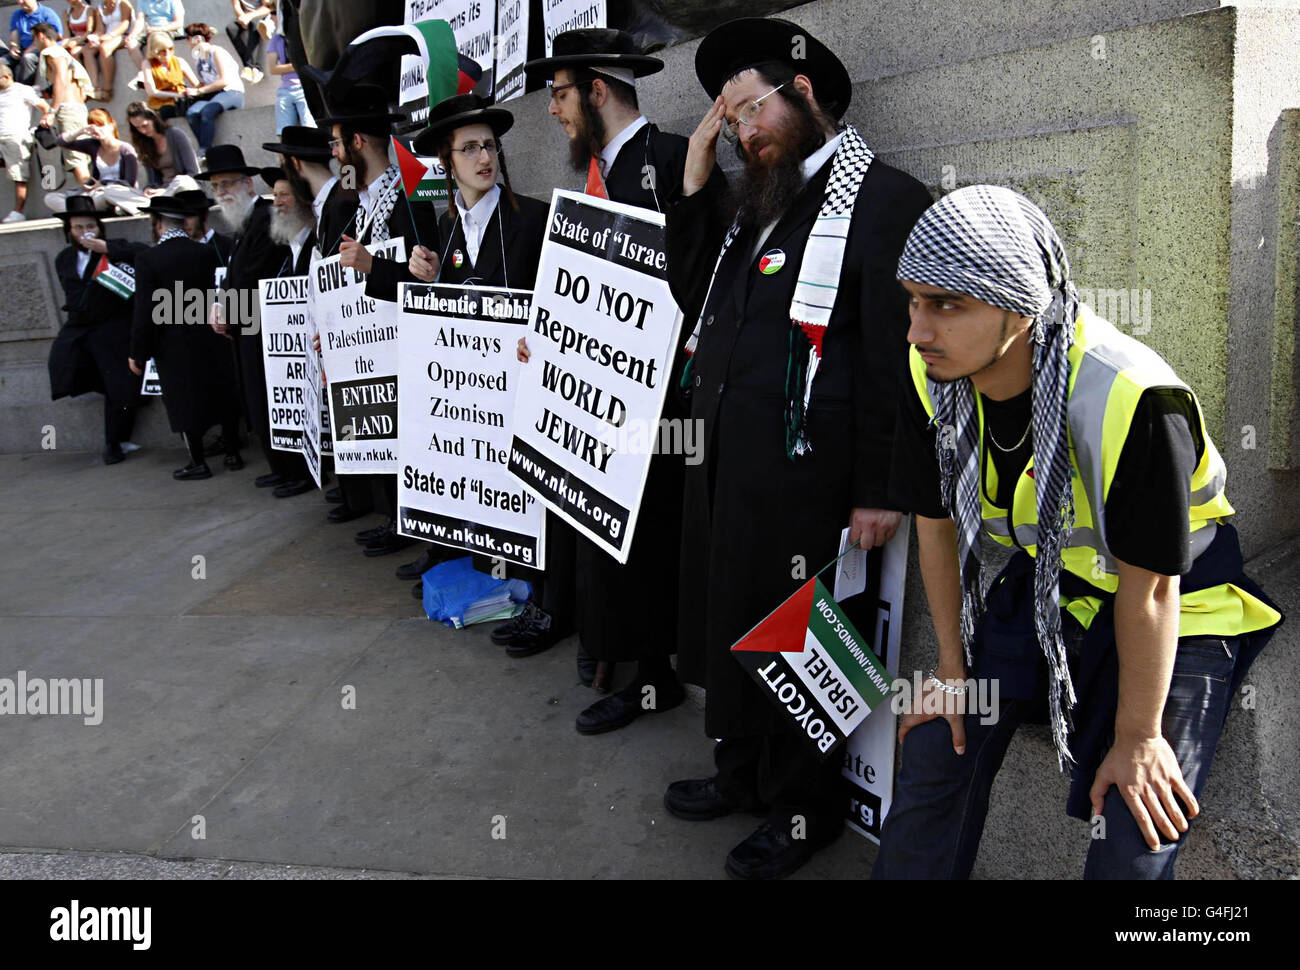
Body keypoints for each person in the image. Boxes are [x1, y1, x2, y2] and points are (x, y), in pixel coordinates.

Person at [871, 184, 1284, 879]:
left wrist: (1138, 736)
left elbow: (1152, 592)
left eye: (946, 304)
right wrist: (951, 668)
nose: (917, 330)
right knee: (940, 741)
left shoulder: (1131, 396)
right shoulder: (931, 372)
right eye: (913, 300)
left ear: (1018, 307)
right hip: (1051, 588)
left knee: (1135, 825)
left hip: (1180, 607)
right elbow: (934, 522)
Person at [660, 17, 933, 880]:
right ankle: (740, 774)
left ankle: (803, 813)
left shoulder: (883, 200)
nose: (742, 131)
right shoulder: (756, 204)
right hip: (735, 476)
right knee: (734, 630)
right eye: (729, 119)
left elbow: (902, 359)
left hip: (814, 488)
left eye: (750, 109)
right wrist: (697, 184)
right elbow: (692, 297)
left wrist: (883, 486)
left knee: (800, 647)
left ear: (804, 93)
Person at [521, 28, 725, 715]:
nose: (552, 109)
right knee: (598, 534)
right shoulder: (587, 184)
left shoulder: (673, 162)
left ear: (597, 90)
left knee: (643, 544)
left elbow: (708, 276)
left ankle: (646, 677)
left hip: (657, 405)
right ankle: (614, 654)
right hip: (593, 400)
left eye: (559, 94)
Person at [399, 93, 550, 602]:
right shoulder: (446, 229)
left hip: (524, 389)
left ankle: (542, 595)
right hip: (476, 397)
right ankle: (497, 575)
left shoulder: (534, 218)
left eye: (489, 146)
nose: (485, 158)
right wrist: (435, 280)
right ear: (447, 162)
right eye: (470, 149)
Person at [321, 82, 439, 557]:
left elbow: (423, 279)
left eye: (336, 141)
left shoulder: (409, 197)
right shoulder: (362, 199)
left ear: (358, 142)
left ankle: (428, 538)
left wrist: (373, 266)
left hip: (409, 349)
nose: (332, 152)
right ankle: (399, 520)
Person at [199, 145, 294, 496]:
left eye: (228, 184)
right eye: (217, 187)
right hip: (247, 326)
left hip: (266, 328)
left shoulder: (265, 217)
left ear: (248, 185)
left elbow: (258, 275)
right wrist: (220, 306)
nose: (222, 192)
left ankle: (293, 471)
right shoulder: (243, 223)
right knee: (257, 401)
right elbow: (234, 277)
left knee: (272, 401)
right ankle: (280, 467)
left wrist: (228, 308)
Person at [129, 192, 244, 479]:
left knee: (183, 401)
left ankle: (198, 462)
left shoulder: (148, 259)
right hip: (209, 333)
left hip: (173, 341)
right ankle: (233, 453)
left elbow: (144, 310)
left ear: (157, 224)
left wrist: (138, 352)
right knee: (219, 393)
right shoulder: (204, 252)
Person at [48, 194, 147, 464]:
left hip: (112, 327)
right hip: (80, 326)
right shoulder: (65, 258)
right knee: (64, 364)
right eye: (78, 227)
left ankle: (114, 443)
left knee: (119, 382)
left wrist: (107, 248)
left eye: (90, 226)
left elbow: (144, 254)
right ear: (69, 230)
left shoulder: (114, 251)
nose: (85, 232)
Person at [45, 108, 148, 214]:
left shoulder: (125, 149)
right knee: (51, 198)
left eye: (101, 126)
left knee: (107, 193)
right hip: (95, 194)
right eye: (94, 127)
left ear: (111, 125)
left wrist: (103, 185)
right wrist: (81, 131)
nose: (97, 130)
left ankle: (81, 210)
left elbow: (129, 182)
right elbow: (61, 142)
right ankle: (84, 209)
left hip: (117, 192)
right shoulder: (93, 145)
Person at [32, 21, 93, 187]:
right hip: (77, 108)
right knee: (80, 158)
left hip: (68, 109)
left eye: (34, 39)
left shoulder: (52, 52)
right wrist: (47, 92)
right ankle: (92, 195)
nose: (34, 44)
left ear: (41, 36)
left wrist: (52, 110)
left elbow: (62, 79)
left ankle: (92, 197)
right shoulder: (62, 53)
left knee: (76, 159)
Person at [181, 23, 244, 153]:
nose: (187, 42)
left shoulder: (216, 51)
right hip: (214, 95)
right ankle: (205, 149)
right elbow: (206, 83)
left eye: (188, 38)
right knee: (192, 113)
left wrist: (199, 91)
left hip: (232, 92)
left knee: (207, 112)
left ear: (197, 39)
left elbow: (224, 81)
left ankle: (205, 150)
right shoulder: (198, 58)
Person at [0, 62, 49, 222]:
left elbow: (44, 106)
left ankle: (18, 212)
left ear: (6, 77)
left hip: (15, 137)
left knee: (18, 174)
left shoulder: (22, 90)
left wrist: (46, 118)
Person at [126, 100, 199, 193]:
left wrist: (165, 191)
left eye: (145, 125)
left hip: (183, 188)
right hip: (161, 191)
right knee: (115, 191)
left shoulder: (176, 135)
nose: (142, 131)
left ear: (153, 119)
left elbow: (193, 173)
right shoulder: (143, 144)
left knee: (181, 180)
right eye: (137, 128)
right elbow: (152, 180)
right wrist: (149, 189)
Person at [81, 0, 135, 102]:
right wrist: (95, 37)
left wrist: (109, 36)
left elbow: (125, 23)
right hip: (106, 37)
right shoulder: (99, 8)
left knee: (105, 48)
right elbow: (100, 29)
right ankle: (94, 86)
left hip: (124, 36)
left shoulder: (123, 3)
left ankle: (107, 88)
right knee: (87, 50)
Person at [141, 30, 196, 122]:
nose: (167, 53)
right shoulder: (147, 64)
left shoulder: (179, 61)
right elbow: (151, 91)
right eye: (162, 50)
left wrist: (191, 92)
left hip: (180, 100)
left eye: (170, 49)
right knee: (162, 113)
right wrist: (176, 95)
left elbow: (196, 84)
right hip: (160, 103)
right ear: (154, 51)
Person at [3, 0, 61, 86]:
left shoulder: (47, 13)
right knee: (2, 62)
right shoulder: (17, 15)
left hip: (42, 48)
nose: (20, 2)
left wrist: (30, 49)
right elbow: (14, 34)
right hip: (23, 48)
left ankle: (24, 89)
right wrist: (14, 47)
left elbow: (54, 36)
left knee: (28, 58)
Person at [266, 22, 310, 133]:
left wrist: (289, 67)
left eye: (275, 13)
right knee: (283, 131)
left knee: (310, 126)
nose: (273, 17)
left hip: (305, 87)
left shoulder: (304, 33)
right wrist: (298, 65)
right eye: (272, 13)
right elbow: (272, 69)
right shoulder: (276, 39)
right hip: (285, 91)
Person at [128, 0, 184, 70]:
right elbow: (140, 20)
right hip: (151, 30)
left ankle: (158, 73)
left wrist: (159, 29)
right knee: (131, 43)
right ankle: (146, 72)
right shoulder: (142, 1)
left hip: (170, 29)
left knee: (155, 38)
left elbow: (178, 22)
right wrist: (132, 34)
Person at [226, 1, 272, 84]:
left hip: (263, 15)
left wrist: (250, 16)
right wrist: (242, 17)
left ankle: (258, 68)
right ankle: (249, 66)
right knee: (231, 28)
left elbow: (268, 7)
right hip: (246, 16)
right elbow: (236, 6)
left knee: (255, 25)